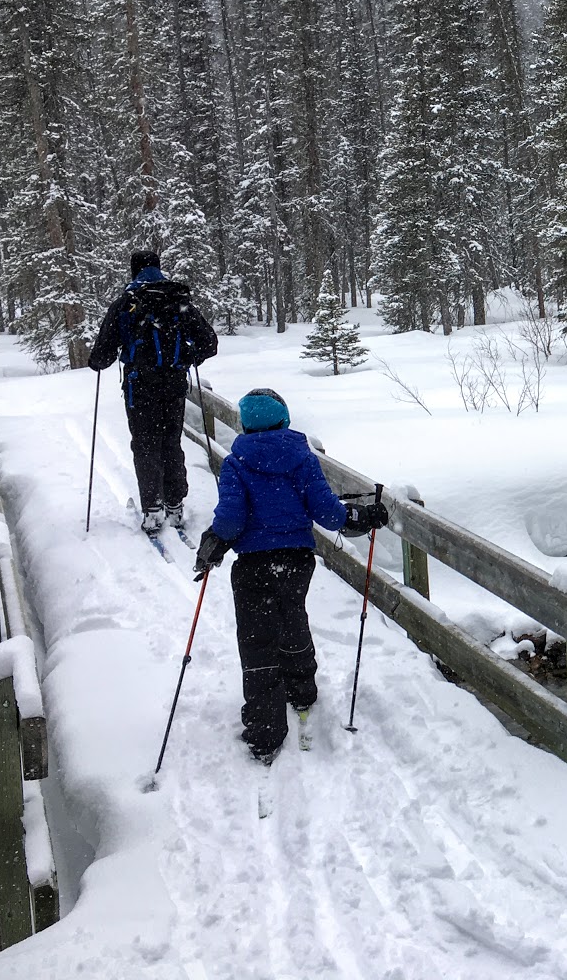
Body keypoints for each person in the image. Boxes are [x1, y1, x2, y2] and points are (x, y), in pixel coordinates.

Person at [195, 389, 388, 763]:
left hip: (252, 563)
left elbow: (231, 519)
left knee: (257, 638)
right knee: (292, 617)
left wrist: (214, 541)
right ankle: (301, 690)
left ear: (245, 424)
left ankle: (265, 729)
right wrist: (362, 517)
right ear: (284, 419)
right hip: (296, 560)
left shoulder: (236, 464)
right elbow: (328, 513)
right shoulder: (302, 459)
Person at [89, 250, 219, 534]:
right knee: (171, 442)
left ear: (134, 270)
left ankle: (153, 509)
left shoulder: (126, 303)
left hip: (140, 388)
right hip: (174, 385)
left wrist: (98, 361)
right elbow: (209, 343)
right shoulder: (177, 300)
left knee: (145, 444)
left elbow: (102, 355)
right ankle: (175, 505)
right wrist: (188, 358)